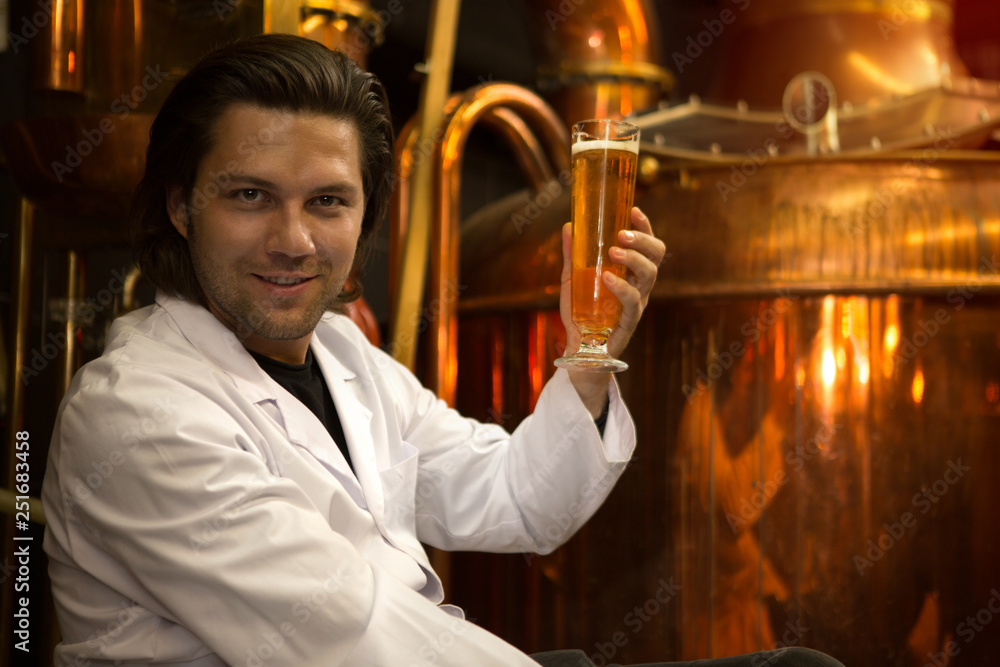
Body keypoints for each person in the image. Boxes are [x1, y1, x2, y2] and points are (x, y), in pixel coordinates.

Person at [41, 34, 842, 667]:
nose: (292, 240)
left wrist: (591, 348)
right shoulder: (139, 413)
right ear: (183, 205)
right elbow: (356, 640)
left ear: (364, 216)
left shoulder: (345, 357)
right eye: (250, 196)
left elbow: (514, 498)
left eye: (328, 201)